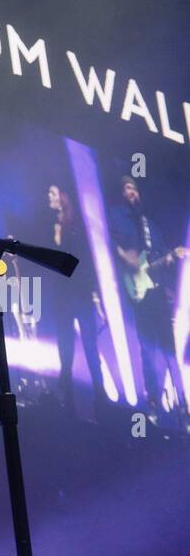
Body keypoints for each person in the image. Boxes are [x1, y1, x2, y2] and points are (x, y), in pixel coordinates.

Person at [109, 175, 188, 428]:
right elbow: (109, 242)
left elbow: (161, 255)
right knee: (147, 352)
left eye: (135, 188)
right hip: (138, 295)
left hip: (156, 293)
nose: (133, 192)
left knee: (169, 351)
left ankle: (183, 407)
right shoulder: (117, 217)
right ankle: (152, 405)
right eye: (128, 188)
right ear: (122, 194)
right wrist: (125, 257)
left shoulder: (150, 225)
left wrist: (172, 257)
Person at [44, 183, 105, 418]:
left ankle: (100, 395)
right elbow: (53, 256)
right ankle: (67, 396)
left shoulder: (76, 224)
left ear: (63, 196)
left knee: (90, 344)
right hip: (62, 294)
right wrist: (56, 232)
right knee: (65, 345)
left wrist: (94, 294)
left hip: (80, 292)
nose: (49, 196)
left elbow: (84, 259)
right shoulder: (50, 224)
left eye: (53, 192)